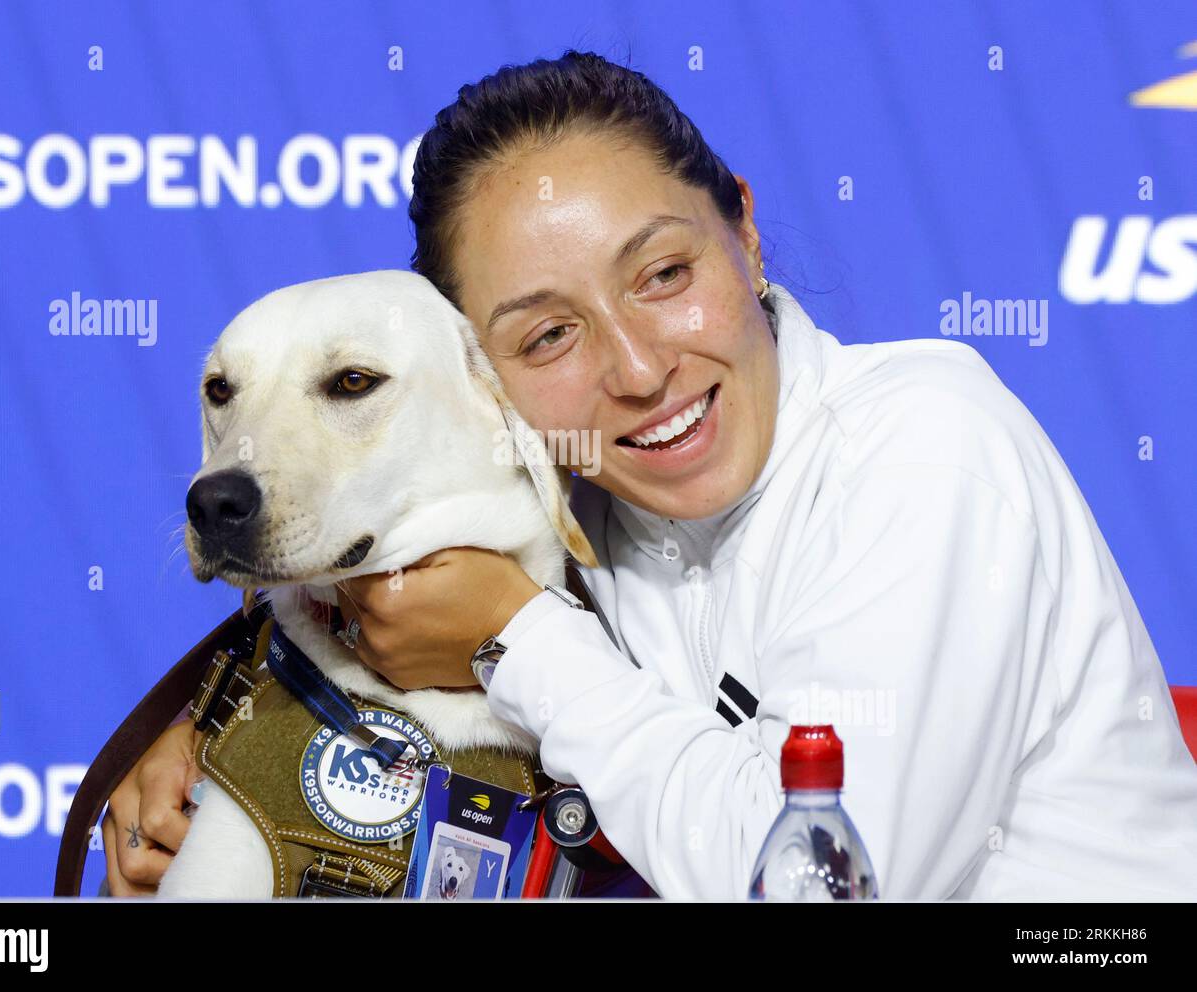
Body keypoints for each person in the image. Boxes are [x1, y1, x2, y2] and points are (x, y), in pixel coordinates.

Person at [103, 50, 1197, 900]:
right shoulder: (572, 497)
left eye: (664, 273)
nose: (637, 368)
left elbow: (814, 879)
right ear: (483, 382)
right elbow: (367, 563)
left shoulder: (927, 442)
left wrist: (516, 633)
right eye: (547, 338)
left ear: (747, 231)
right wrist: (224, 730)